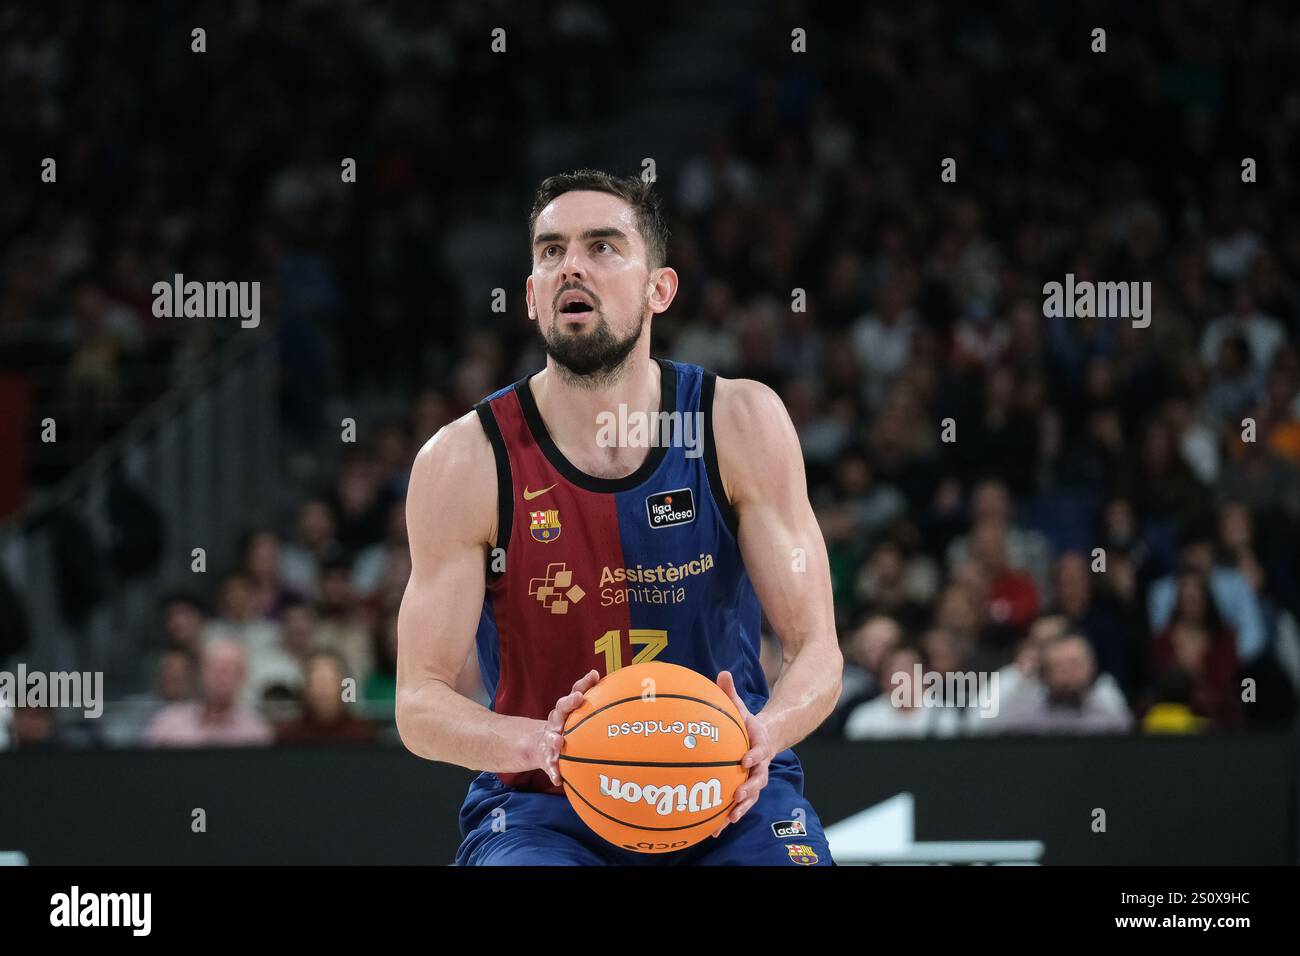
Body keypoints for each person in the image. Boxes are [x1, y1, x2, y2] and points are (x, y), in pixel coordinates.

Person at [395, 170, 842, 865]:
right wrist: (537, 742)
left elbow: (817, 649)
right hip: (543, 804)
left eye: (602, 246)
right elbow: (418, 703)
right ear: (532, 296)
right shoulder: (464, 460)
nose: (571, 264)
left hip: (728, 789)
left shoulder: (739, 421)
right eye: (550, 252)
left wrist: (765, 732)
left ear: (659, 289)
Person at [143, 637, 273, 747]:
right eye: (214, 669)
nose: (221, 678)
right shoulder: (168, 723)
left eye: (229, 670)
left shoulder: (256, 732)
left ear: (243, 676)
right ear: (200, 673)